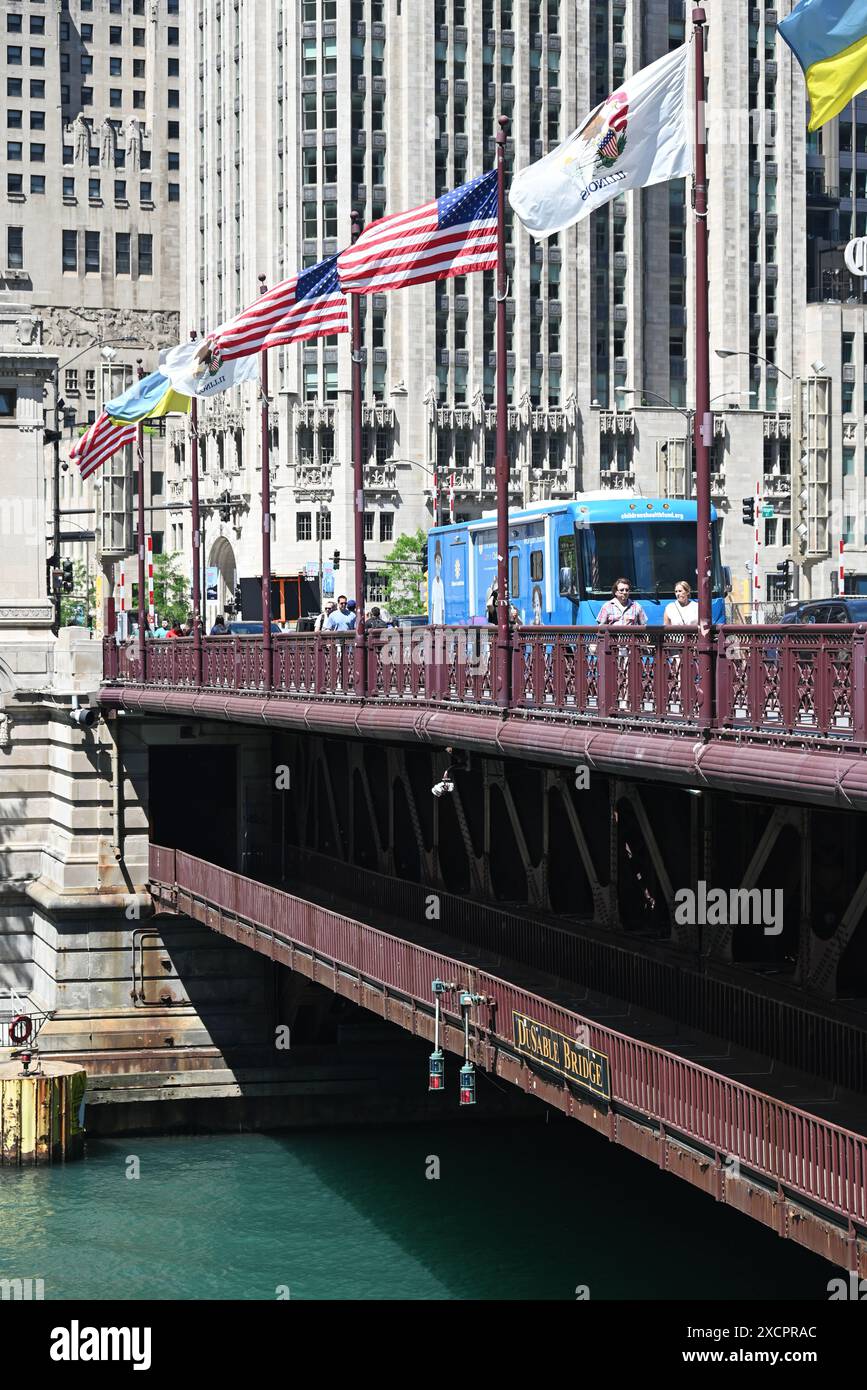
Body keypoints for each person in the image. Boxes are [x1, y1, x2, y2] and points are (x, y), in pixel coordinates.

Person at [430, 541, 446, 625]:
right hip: (435, 622)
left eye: (439, 561)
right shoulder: (433, 582)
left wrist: (443, 620)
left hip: (441, 621)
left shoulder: (442, 583)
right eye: (437, 561)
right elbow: (432, 603)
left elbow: (443, 604)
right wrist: (432, 621)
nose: (438, 563)